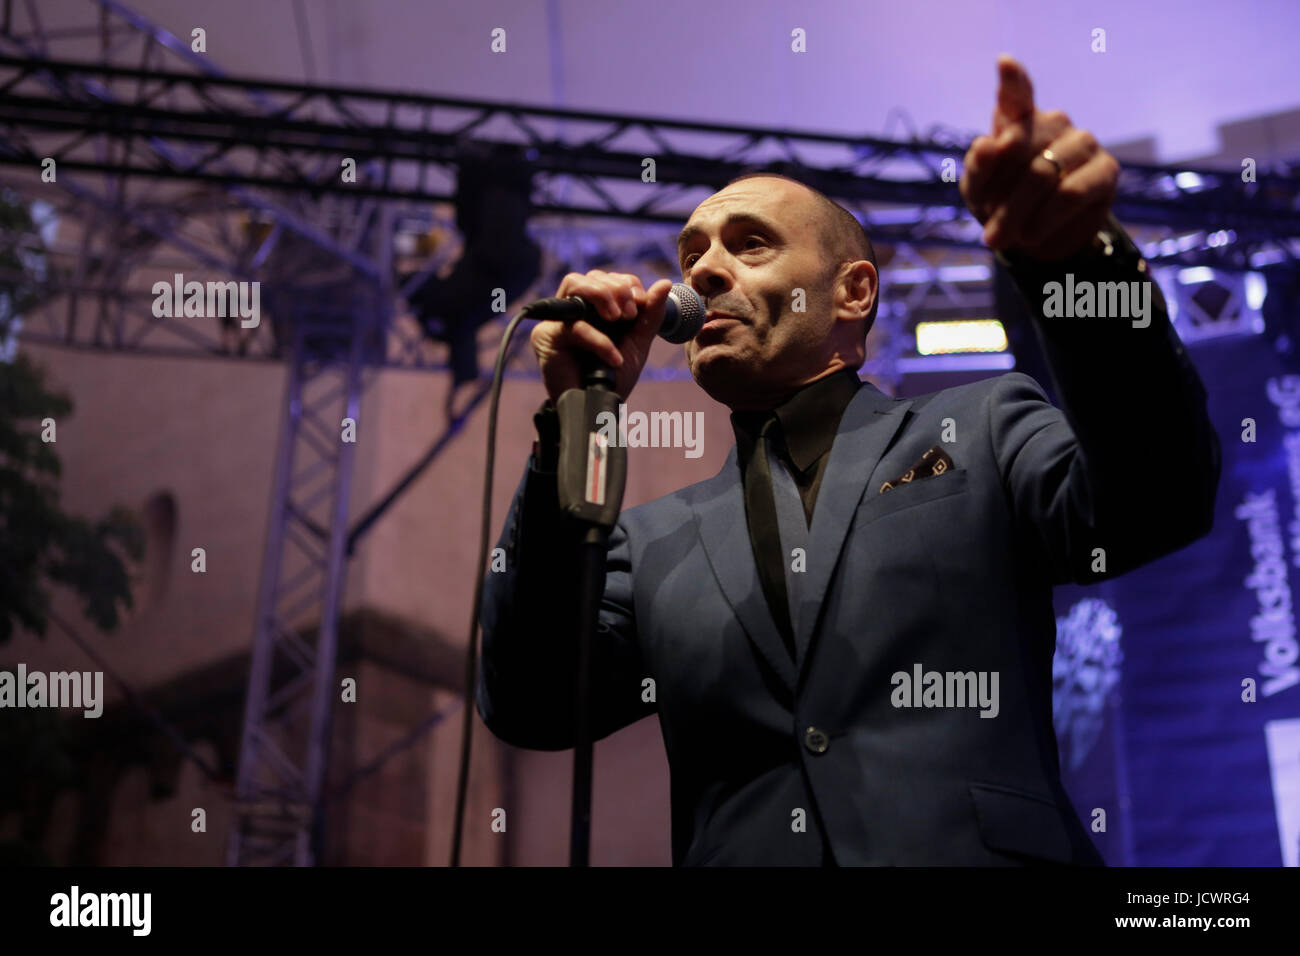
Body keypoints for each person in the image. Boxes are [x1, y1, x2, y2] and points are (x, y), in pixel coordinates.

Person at [476, 56, 1221, 865]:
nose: (702, 271)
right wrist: (575, 417)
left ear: (852, 294)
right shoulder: (650, 544)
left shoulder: (982, 425)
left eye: (750, 244)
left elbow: (1158, 497)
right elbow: (531, 701)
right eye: (691, 253)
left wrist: (1076, 262)